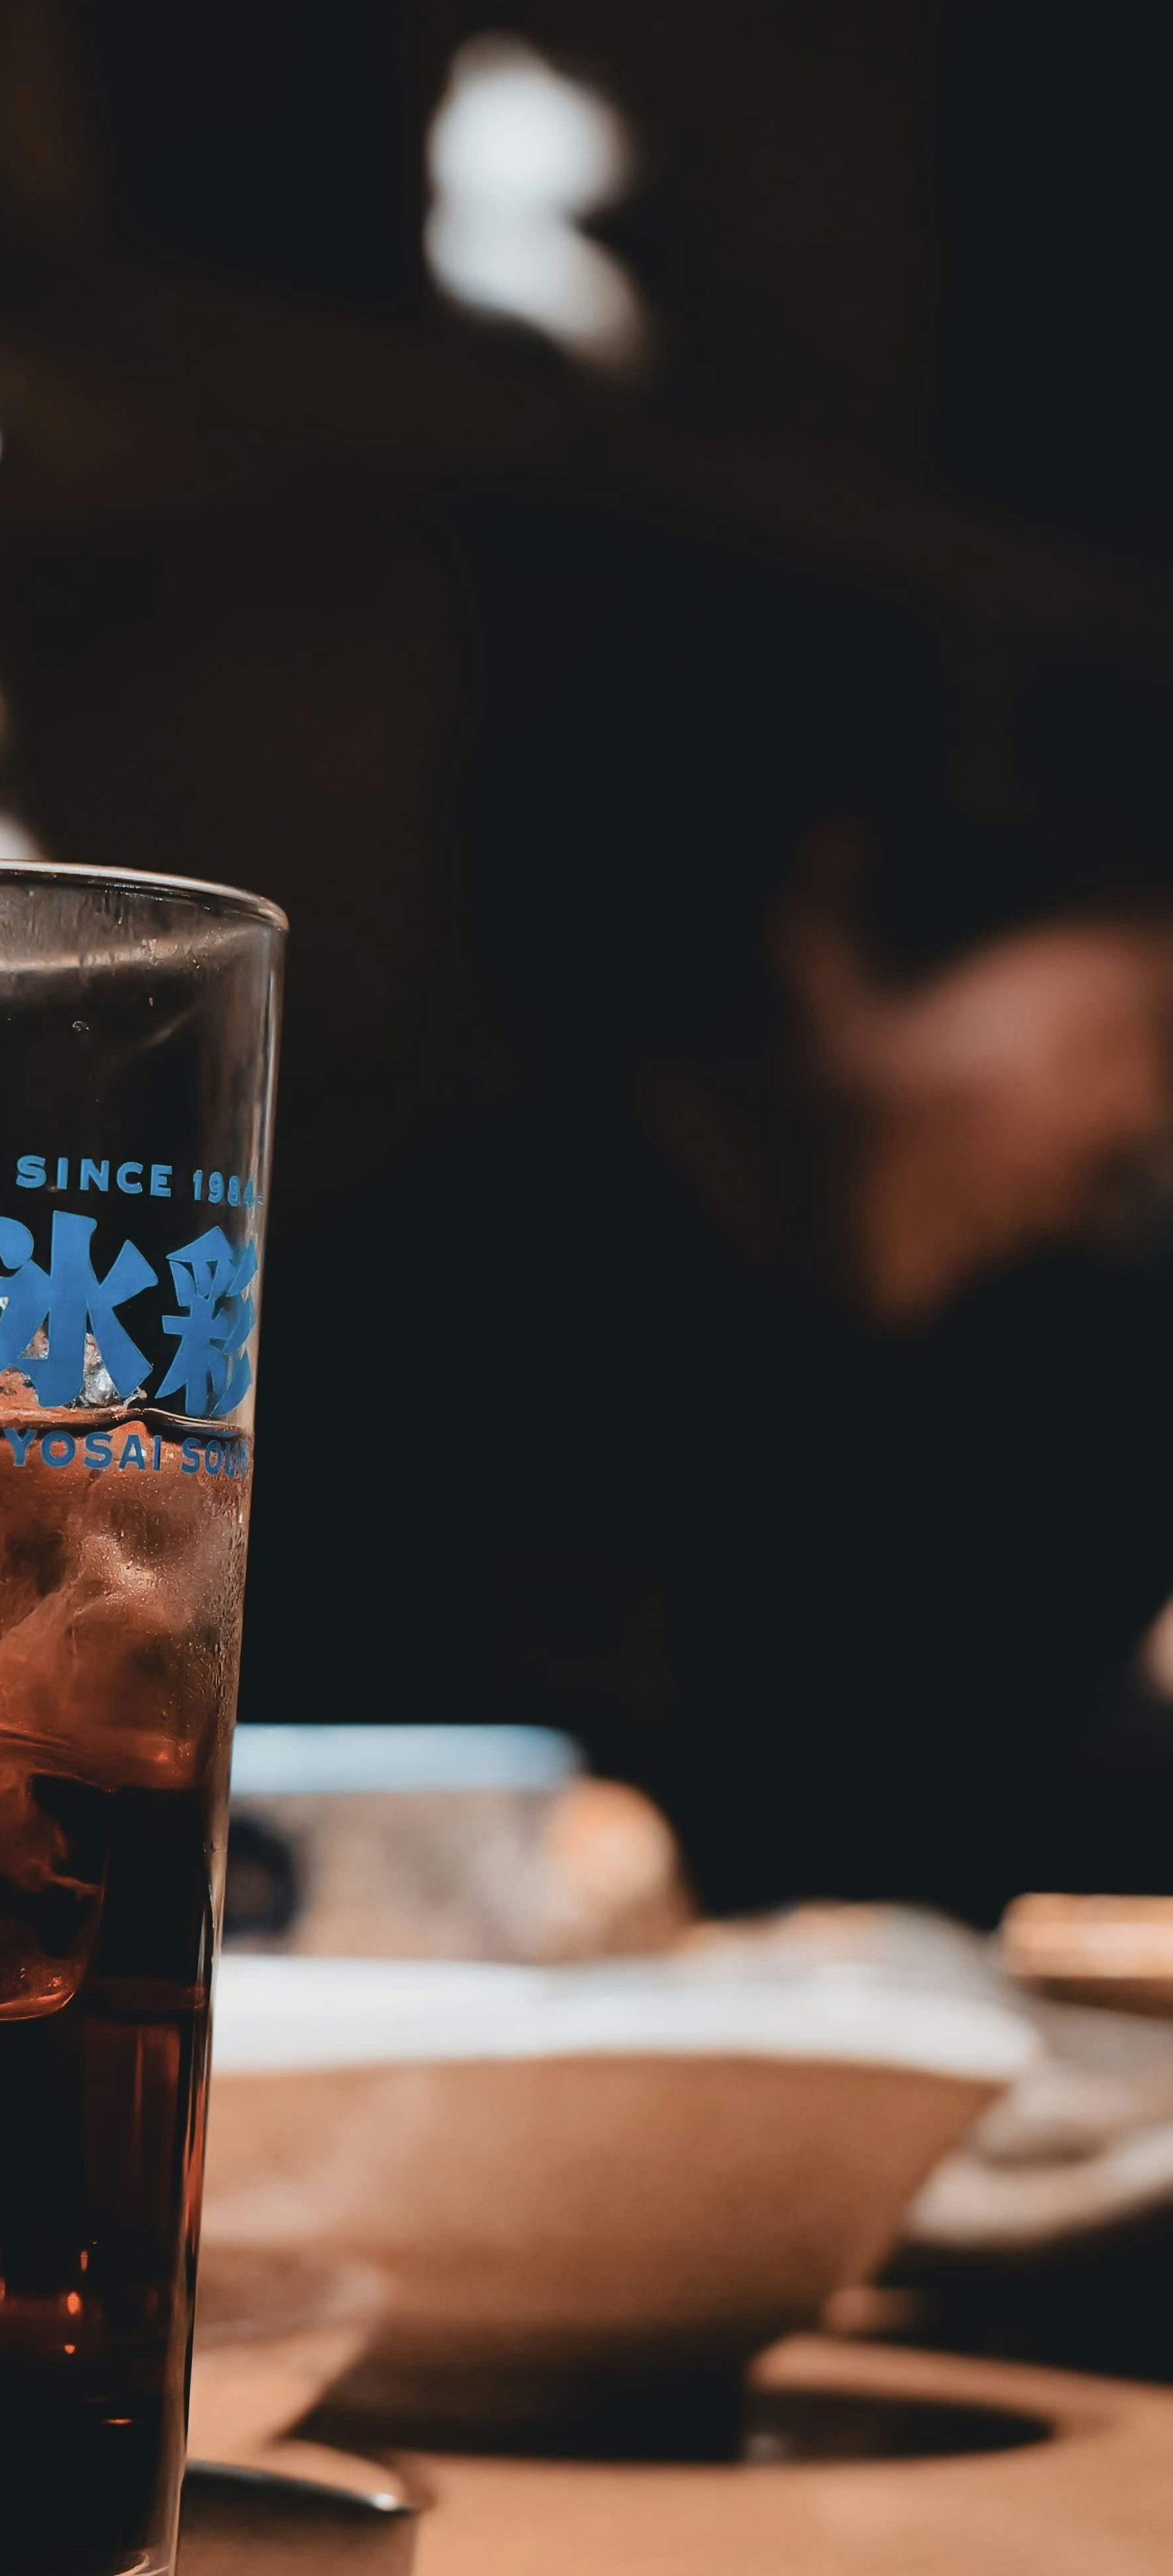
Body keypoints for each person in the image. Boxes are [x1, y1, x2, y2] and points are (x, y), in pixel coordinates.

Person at [242, 743, 1173, 1924]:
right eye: (1121, 1041)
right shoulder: (442, 1320)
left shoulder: (1000, 1370)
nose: (1132, 1134)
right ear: (834, 943)